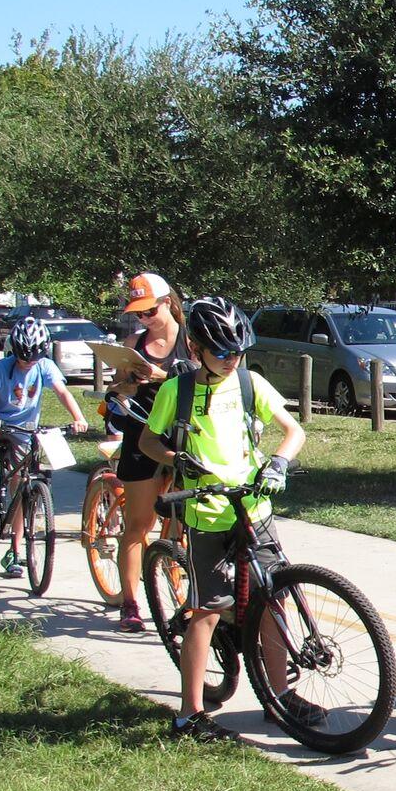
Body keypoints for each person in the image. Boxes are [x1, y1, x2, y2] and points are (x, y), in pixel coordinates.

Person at [138, 298, 306, 743]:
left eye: (239, 352)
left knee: (274, 600)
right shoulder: (178, 391)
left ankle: (279, 697)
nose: (232, 359)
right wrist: (177, 458)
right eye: (222, 352)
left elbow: (294, 431)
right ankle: (189, 715)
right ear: (196, 348)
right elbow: (149, 442)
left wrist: (278, 463)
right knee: (207, 611)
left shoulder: (250, 383)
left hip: (255, 508)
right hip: (207, 512)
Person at [0, 315, 89, 576]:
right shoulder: (1, 367)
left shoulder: (45, 366)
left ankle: (15, 552)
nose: (28, 362)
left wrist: (79, 418)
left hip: (24, 432)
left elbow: (62, 392)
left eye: (34, 357)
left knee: (20, 491)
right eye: (23, 357)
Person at [106, 273, 191, 632]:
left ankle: (187, 600)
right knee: (138, 524)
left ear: (168, 302)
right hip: (141, 434)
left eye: (150, 311)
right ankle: (130, 604)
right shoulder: (134, 343)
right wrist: (127, 383)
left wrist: (160, 375)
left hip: (183, 436)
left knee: (187, 524)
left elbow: (204, 380)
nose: (144, 319)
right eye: (138, 314)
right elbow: (118, 387)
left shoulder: (191, 340)